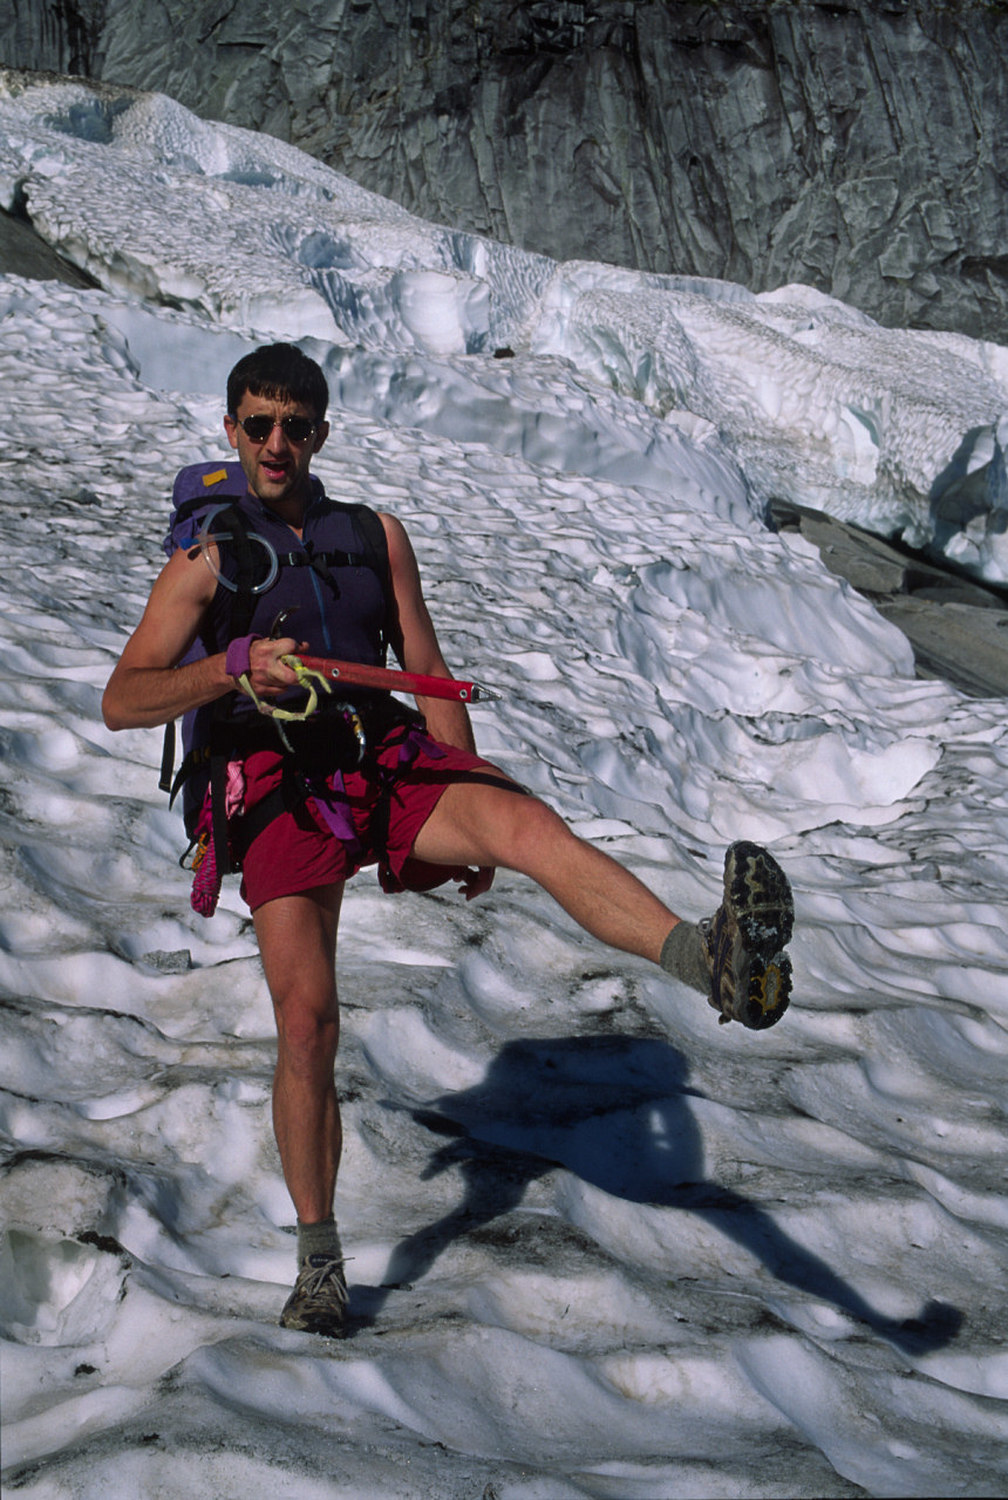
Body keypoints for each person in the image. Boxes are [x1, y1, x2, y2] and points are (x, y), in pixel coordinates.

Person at [102, 343, 794, 1338]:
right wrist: (232, 671)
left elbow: (425, 668)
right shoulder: (209, 556)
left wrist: (464, 795)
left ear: (322, 434)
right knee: (307, 1023)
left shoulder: (376, 535)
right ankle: (319, 1263)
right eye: (258, 425)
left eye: (296, 426)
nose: (277, 444)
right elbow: (124, 698)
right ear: (231, 431)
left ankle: (713, 959)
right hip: (275, 792)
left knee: (522, 821)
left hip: (379, 759)